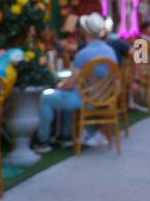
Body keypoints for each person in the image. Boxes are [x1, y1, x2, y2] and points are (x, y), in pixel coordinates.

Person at [36, 14, 118, 152]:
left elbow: (70, 84)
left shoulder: (83, 54)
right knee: (69, 94)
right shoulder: (110, 51)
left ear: (84, 32)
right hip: (106, 97)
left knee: (46, 97)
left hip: (87, 100)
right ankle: (67, 135)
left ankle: (42, 141)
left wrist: (60, 86)